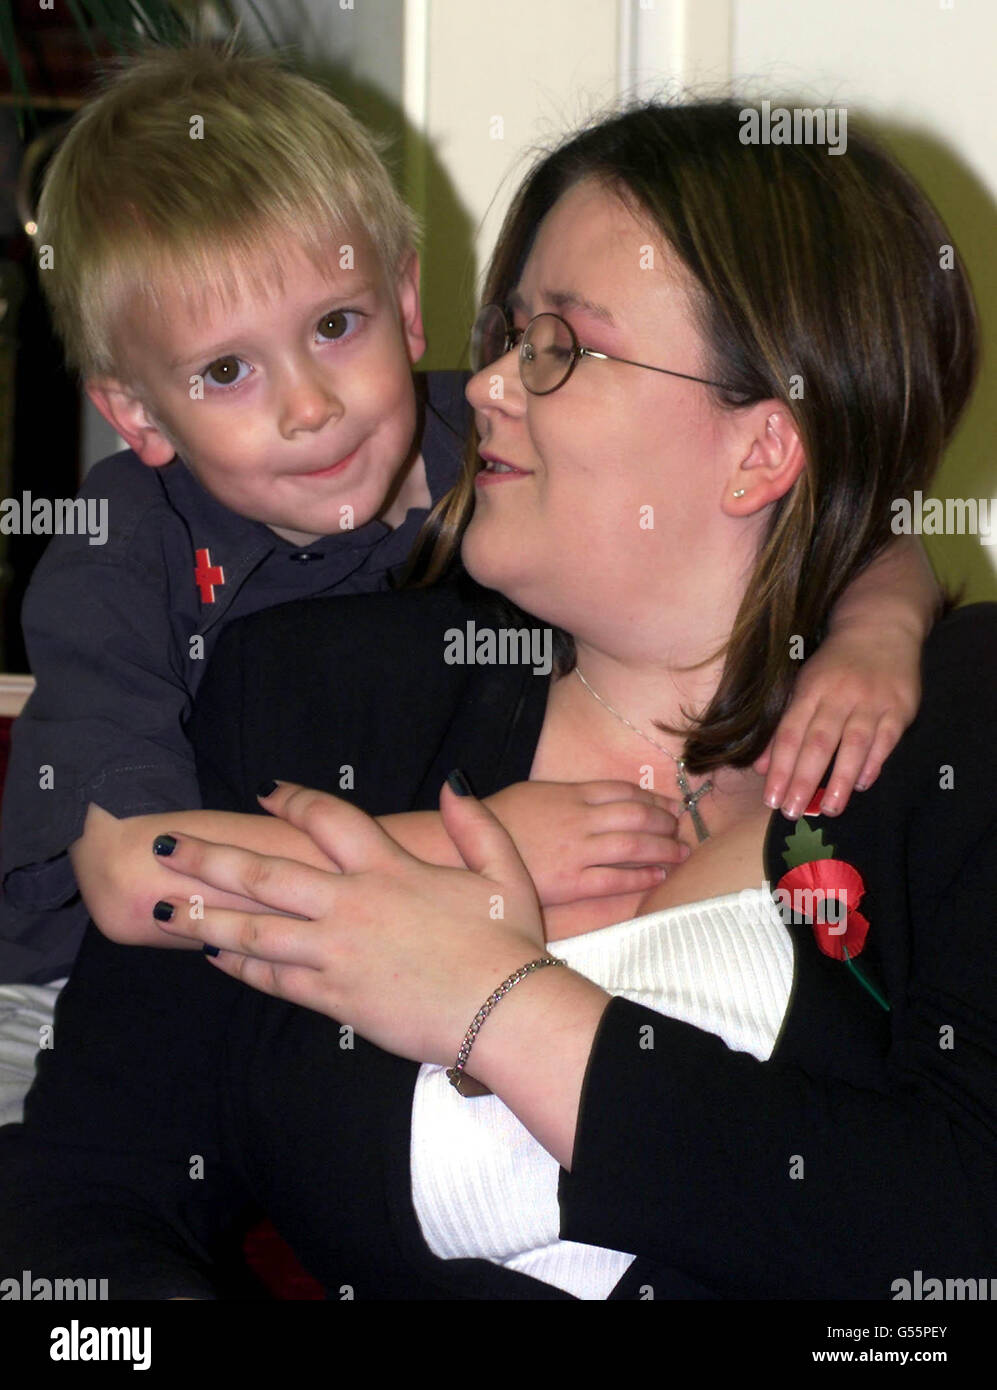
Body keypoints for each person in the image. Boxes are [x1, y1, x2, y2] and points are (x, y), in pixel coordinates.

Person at [1, 98, 990, 1300]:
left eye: (562, 347)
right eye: (510, 334)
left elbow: (956, 1233)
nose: (484, 391)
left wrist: (492, 1003)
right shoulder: (308, 698)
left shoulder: (955, 727)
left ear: (760, 448)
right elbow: (78, 1217)